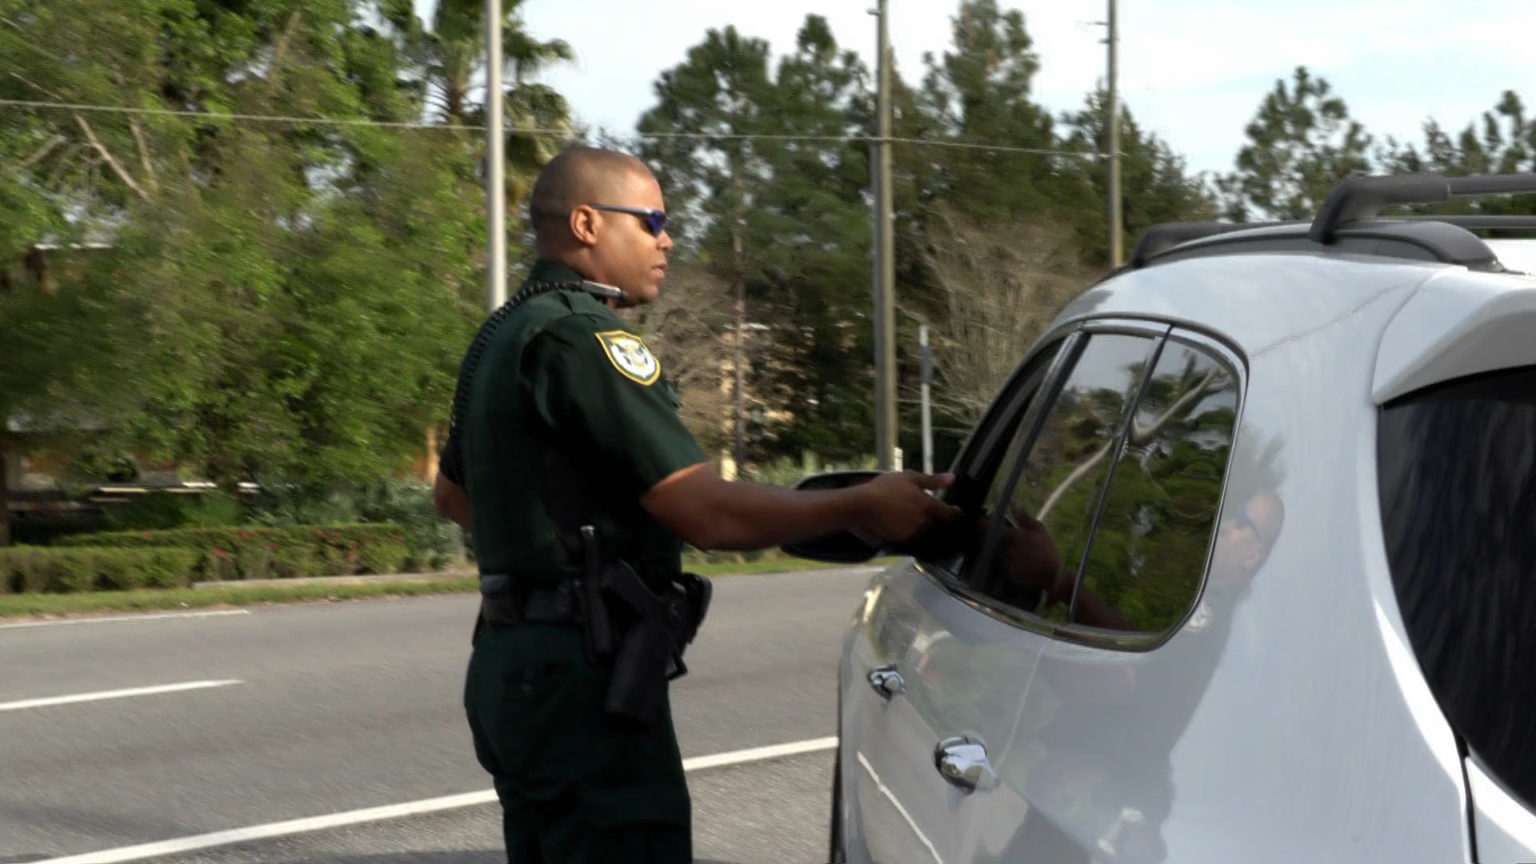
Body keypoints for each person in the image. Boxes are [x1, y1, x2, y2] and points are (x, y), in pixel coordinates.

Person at [431, 146, 958, 863]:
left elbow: (455, 497)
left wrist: (566, 539)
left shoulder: (503, 333)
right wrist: (857, 505)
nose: (667, 239)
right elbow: (707, 513)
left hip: (515, 665)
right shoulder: (583, 340)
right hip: (582, 680)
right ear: (587, 223)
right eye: (650, 221)